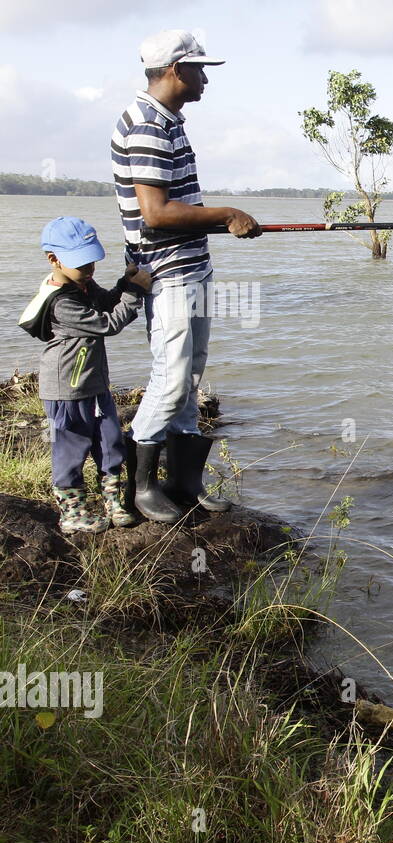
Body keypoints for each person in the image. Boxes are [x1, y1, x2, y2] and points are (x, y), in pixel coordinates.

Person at [110, 28, 260, 522]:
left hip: (191, 267)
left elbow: (174, 206)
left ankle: (185, 483)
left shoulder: (169, 120)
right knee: (171, 376)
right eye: (199, 70)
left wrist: (220, 222)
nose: (205, 80)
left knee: (190, 374)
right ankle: (142, 485)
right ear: (174, 70)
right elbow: (155, 213)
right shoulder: (148, 124)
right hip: (169, 273)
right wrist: (226, 215)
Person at [18, 217, 153, 534]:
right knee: (71, 448)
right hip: (67, 389)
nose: (89, 268)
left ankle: (113, 502)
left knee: (110, 442)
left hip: (94, 385)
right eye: (82, 263)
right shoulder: (61, 302)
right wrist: (135, 293)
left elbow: (105, 301)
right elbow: (109, 323)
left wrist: (123, 284)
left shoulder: (81, 285)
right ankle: (73, 514)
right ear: (54, 259)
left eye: (92, 259)